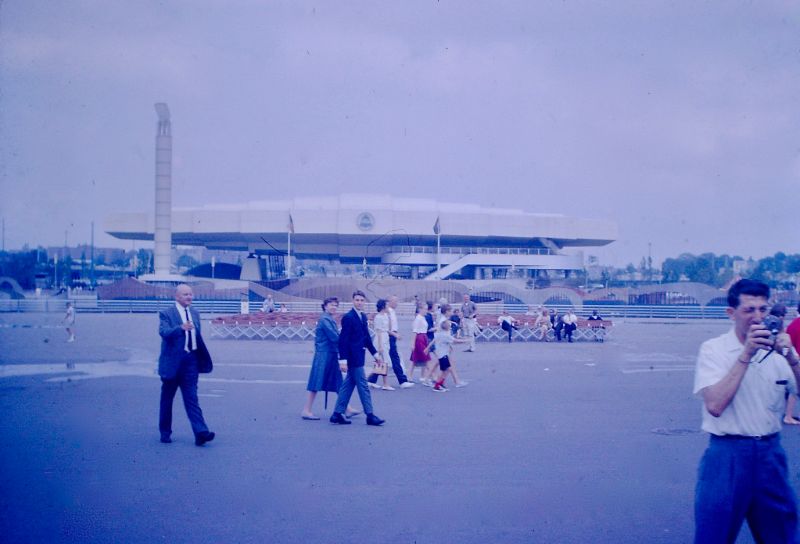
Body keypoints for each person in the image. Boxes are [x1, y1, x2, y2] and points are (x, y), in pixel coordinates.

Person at [693, 279, 800, 543]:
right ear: (731, 313)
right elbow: (715, 405)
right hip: (727, 455)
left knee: (783, 534)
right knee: (713, 534)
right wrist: (747, 353)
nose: (758, 317)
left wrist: (791, 357)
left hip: (770, 454)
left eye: (763, 310)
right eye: (749, 310)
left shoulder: (780, 351)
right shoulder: (713, 350)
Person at [158, 284, 215, 446]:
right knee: (167, 400)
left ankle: (201, 433)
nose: (189, 297)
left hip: (191, 362)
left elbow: (197, 336)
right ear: (176, 296)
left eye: (190, 294)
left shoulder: (195, 313)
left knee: (192, 399)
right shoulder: (166, 314)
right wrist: (180, 328)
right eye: (185, 295)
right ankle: (165, 432)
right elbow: (164, 332)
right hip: (172, 363)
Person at [330, 291, 385, 427]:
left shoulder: (363, 317)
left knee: (348, 385)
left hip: (359, 356)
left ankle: (337, 413)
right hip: (352, 358)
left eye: (361, 300)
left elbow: (366, 338)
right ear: (353, 301)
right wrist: (342, 360)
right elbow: (344, 340)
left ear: (364, 302)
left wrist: (376, 355)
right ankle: (370, 415)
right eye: (357, 300)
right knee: (363, 386)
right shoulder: (348, 317)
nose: (359, 302)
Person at [300, 297, 360, 420]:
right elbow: (334, 337)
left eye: (336, 305)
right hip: (323, 355)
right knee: (316, 382)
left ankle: (346, 408)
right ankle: (306, 410)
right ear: (325, 306)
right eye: (331, 305)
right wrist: (348, 341)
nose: (334, 307)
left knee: (338, 382)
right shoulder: (325, 319)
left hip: (331, 354)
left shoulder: (329, 319)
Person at [368, 295, 413, 389]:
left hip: (388, 337)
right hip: (383, 339)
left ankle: (371, 380)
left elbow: (388, 328)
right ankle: (394, 382)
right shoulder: (381, 316)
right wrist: (381, 345)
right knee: (388, 360)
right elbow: (380, 331)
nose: (397, 303)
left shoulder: (386, 314)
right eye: (395, 301)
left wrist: (395, 334)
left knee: (383, 361)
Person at [769, 304, 800, 425]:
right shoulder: (785, 326)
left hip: (782, 357)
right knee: (793, 388)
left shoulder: (792, 324)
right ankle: (788, 416)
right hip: (792, 358)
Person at [368, 299, 394, 390]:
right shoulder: (378, 317)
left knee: (381, 363)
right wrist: (379, 346)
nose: (388, 307)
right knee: (385, 362)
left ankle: (370, 379)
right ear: (383, 306)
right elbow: (378, 331)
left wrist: (390, 316)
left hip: (385, 338)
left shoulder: (385, 316)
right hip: (380, 339)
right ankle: (385, 384)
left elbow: (389, 328)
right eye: (387, 305)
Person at [407, 301, 431, 382]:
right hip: (419, 338)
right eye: (425, 309)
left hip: (423, 337)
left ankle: (410, 375)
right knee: (425, 357)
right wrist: (413, 344)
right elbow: (415, 331)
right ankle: (432, 375)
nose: (426, 311)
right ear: (420, 309)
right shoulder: (418, 318)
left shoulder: (422, 317)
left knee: (415, 358)